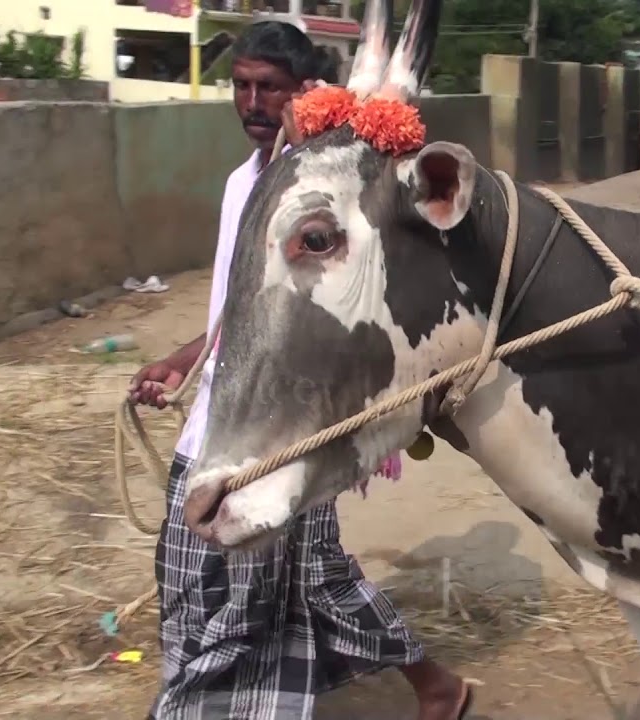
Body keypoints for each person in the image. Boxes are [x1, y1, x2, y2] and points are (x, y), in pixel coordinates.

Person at [128, 21, 472, 720]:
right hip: (229, 415)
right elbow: (243, 311)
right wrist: (182, 361)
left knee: (231, 594)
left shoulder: (338, 190)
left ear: (306, 93)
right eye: (242, 86)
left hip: (288, 428)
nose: (254, 102)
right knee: (300, 576)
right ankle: (436, 687)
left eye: (271, 88)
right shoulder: (239, 187)